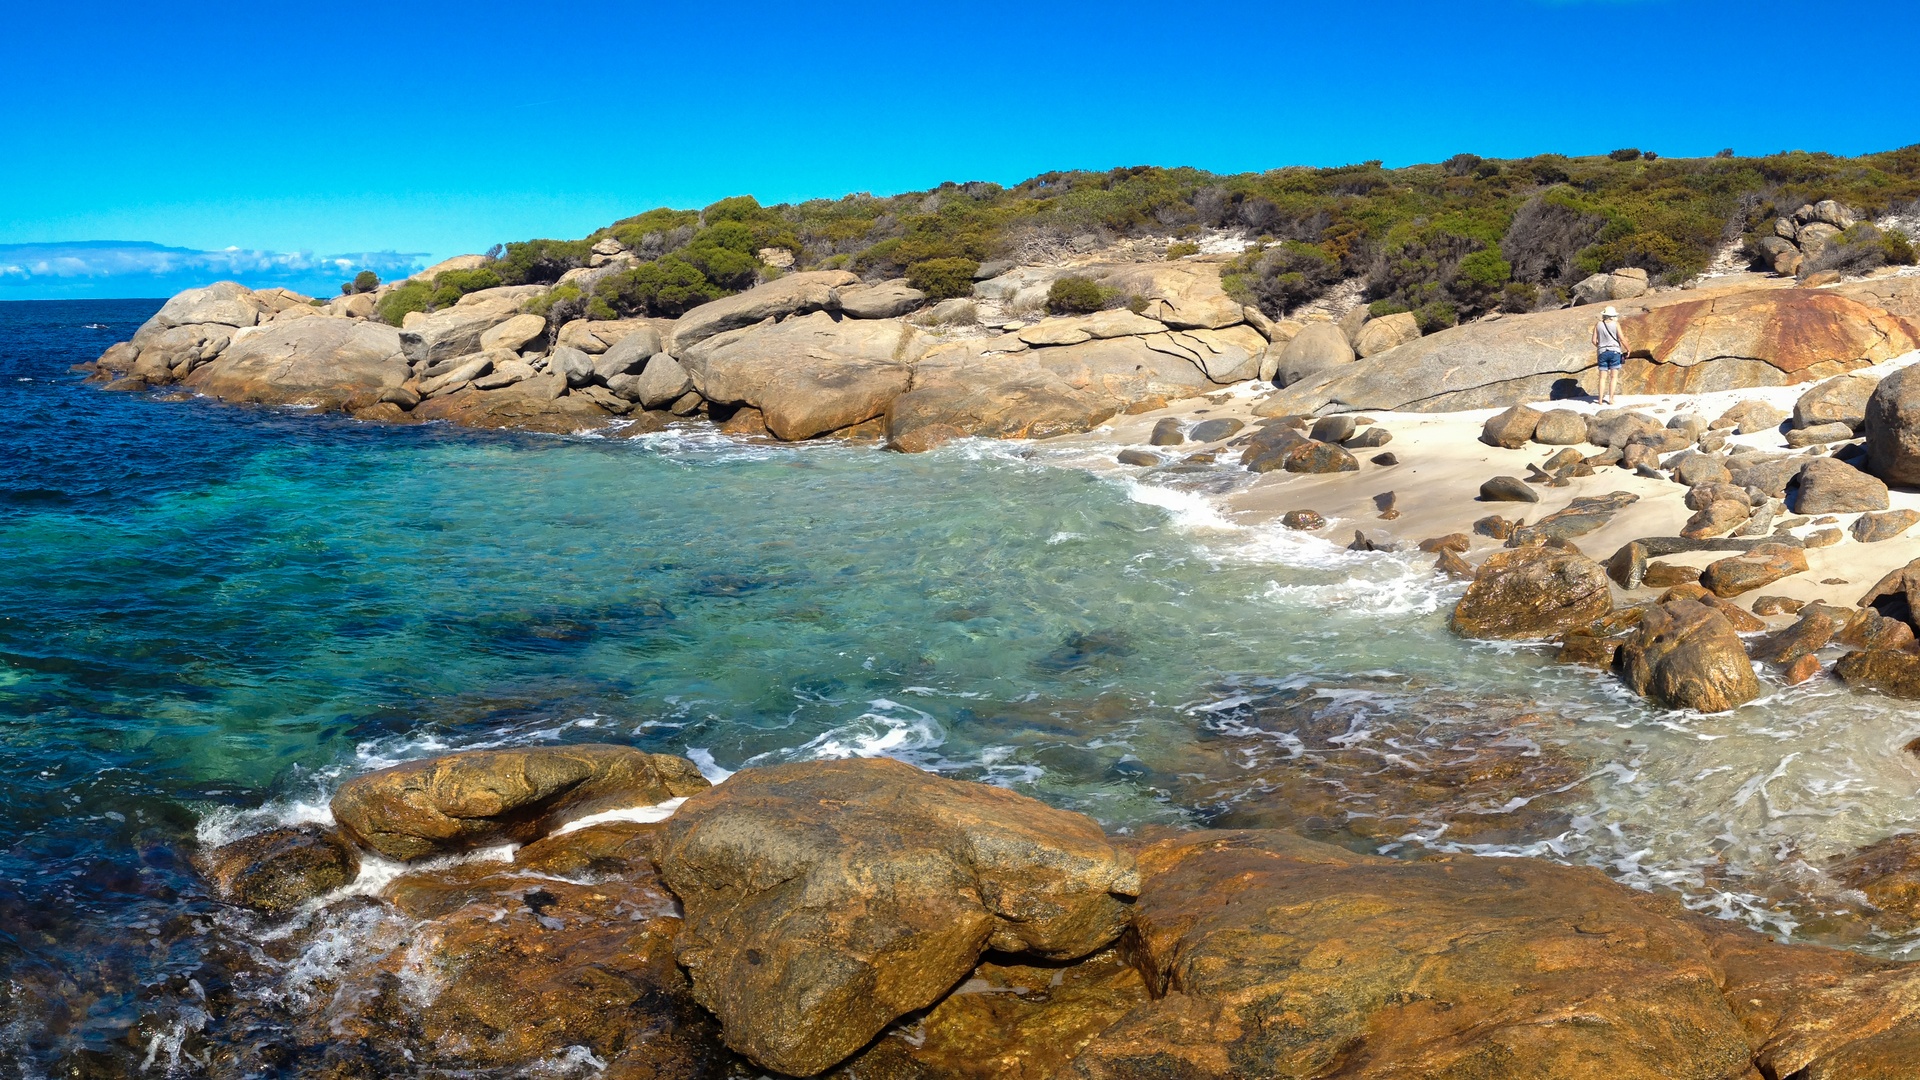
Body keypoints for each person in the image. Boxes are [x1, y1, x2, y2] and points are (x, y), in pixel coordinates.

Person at [1591, 306, 1627, 405]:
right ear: (1611, 317)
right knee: (1613, 377)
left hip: (1602, 352)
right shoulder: (1616, 324)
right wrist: (1628, 349)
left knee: (1602, 377)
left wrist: (1601, 346)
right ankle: (1611, 399)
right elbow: (1622, 339)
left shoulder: (1598, 324)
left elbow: (1594, 340)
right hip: (1614, 351)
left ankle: (1600, 400)